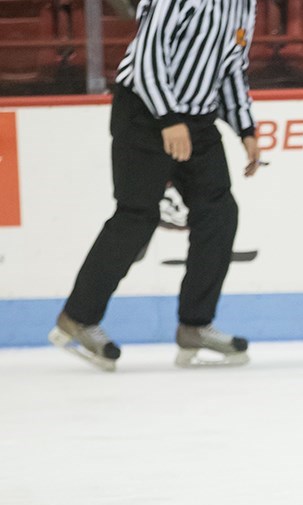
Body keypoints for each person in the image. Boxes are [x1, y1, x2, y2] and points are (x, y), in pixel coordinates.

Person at [48, 0, 262, 371]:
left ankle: (195, 324)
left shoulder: (245, 5)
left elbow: (232, 67)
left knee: (220, 212)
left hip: (197, 119)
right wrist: (168, 118)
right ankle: (78, 318)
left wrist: (246, 128)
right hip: (145, 112)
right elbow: (148, 55)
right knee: (137, 215)